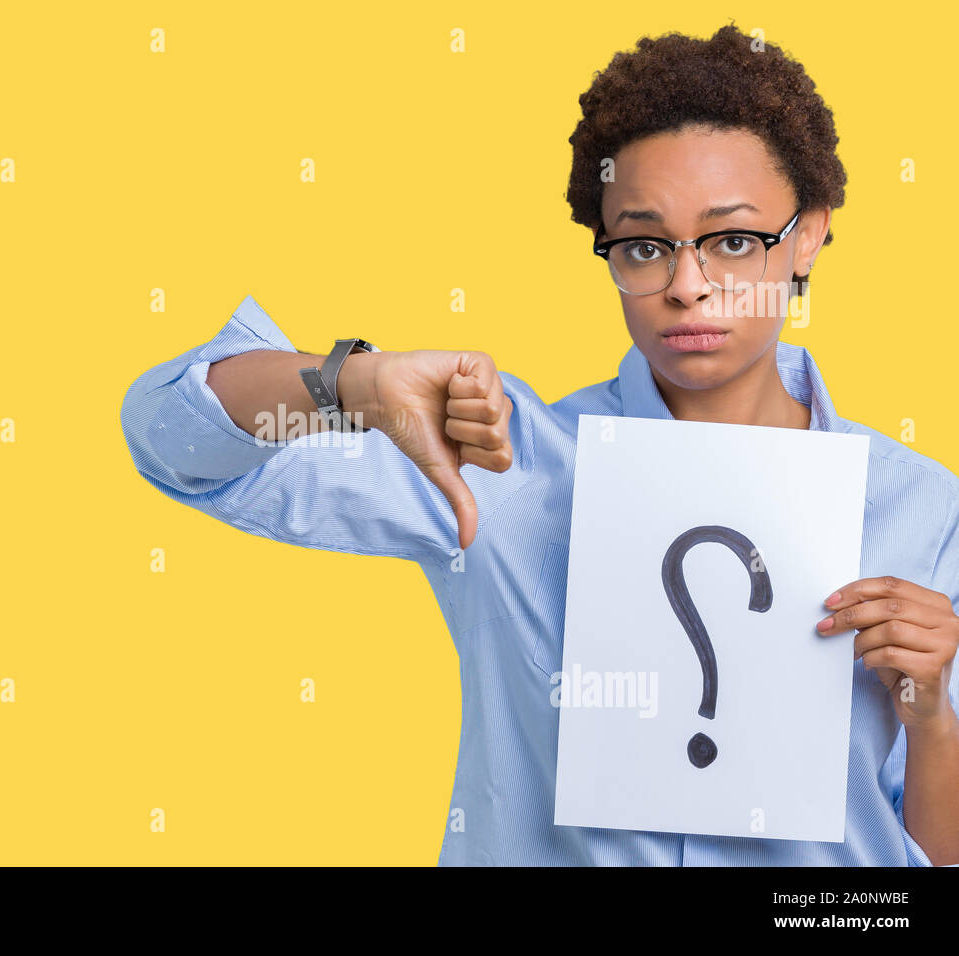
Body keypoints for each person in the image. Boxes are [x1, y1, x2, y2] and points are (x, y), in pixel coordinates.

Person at [119, 23, 959, 865]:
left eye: (733, 241)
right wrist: (353, 384)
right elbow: (172, 441)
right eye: (643, 246)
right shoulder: (496, 456)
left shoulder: (920, 509)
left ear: (807, 234)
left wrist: (932, 719)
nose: (688, 286)